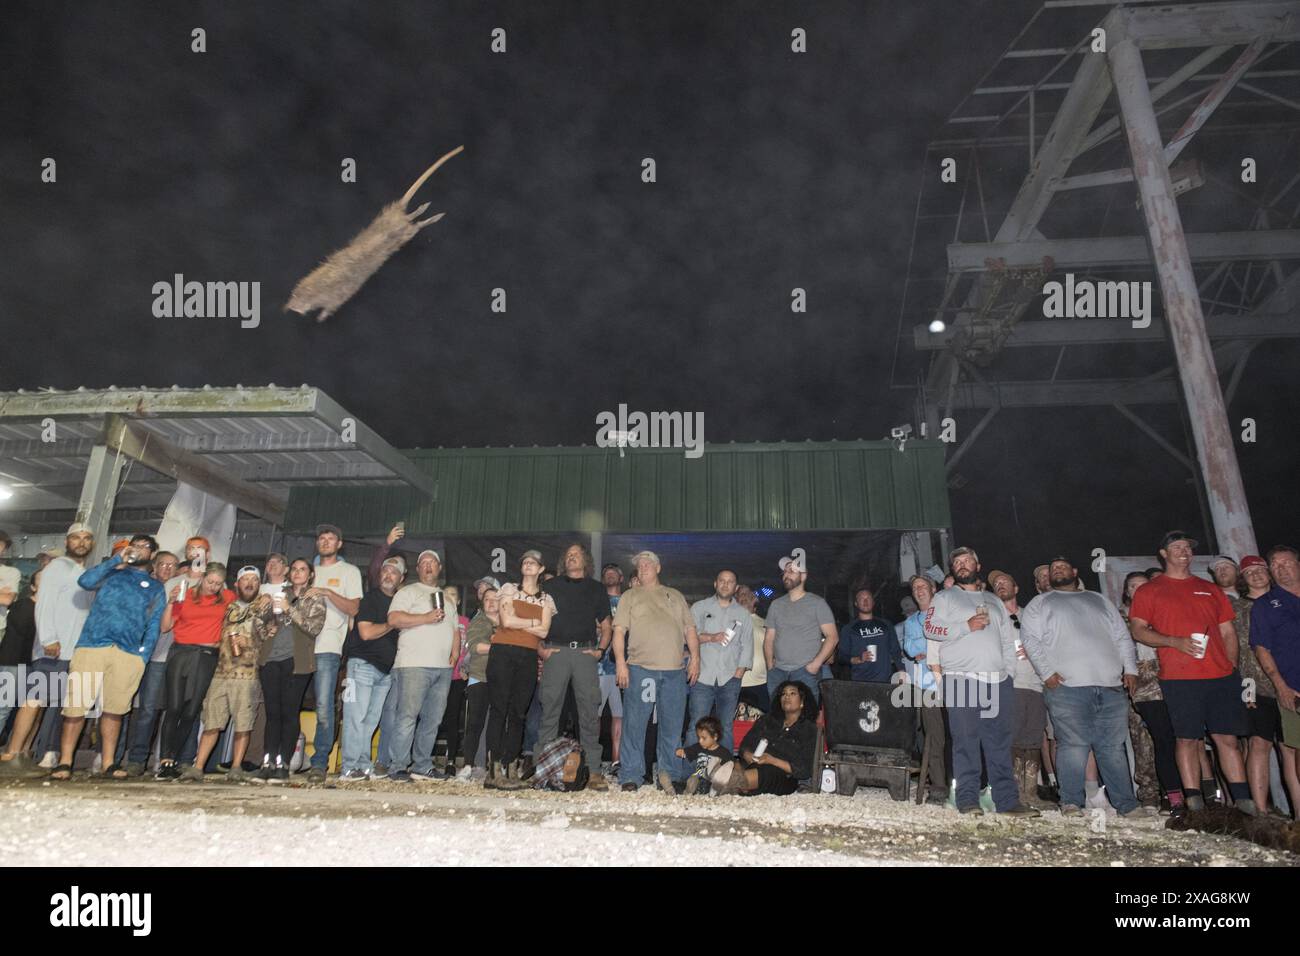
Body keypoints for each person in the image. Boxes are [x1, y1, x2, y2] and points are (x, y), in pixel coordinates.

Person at [1129, 530, 1256, 816]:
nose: (1184, 551)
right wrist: (1175, 641)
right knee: (1187, 739)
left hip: (1220, 676)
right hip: (1179, 678)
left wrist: (1231, 668)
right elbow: (1138, 630)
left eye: (1187, 546)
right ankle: (1194, 801)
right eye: (1177, 546)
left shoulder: (1210, 588)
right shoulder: (1150, 590)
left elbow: (1227, 631)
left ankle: (1244, 802)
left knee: (1228, 739)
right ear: (1164, 554)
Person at [1019, 556, 1141, 816]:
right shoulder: (1040, 603)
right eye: (1053, 569)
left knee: (1112, 747)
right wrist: (1047, 673)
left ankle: (1126, 804)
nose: (1058, 570)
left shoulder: (1098, 599)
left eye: (1062, 567)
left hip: (1109, 685)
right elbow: (1030, 639)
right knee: (1072, 744)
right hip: (1067, 687)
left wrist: (1130, 669)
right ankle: (1072, 801)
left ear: (1074, 571)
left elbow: (1121, 636)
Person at [923, 547, 1038, 816]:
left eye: (967, 561)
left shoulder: (994, 600)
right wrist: (966, 626)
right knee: (965, 740)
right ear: (952, 569)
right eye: (957, 562)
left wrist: (1007, 673)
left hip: (997, 680)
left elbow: (1007, 640)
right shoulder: (944, 597)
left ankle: (1008, 802)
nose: (962, 565)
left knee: (999, 743)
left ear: (978, 565)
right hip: (961, 678)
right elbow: (930, 628)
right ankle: (968, 800)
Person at [48, 535, 165, 780]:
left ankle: (109, 763)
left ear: (153, 554)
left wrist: (141, 657)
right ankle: (66, 761)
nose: (139, 550)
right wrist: (115, 560)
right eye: (136, 545)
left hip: (128, 653)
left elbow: (154, 625)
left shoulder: (155, 587)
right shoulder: (112, 573)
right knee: (75, 706)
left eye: (145, 547)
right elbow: (85, 581)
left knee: (114, 710)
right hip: (92, 645)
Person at [1, 524, 96, 776]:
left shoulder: (81, 571)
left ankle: (23, 755)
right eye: (76, 537)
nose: (82, 542)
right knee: (34, 700)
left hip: (72, 651)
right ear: (67, 541)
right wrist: (49, 639)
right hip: (53, 649)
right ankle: (11, 754)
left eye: (87, 538)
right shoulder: (57, 567)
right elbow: (43, 604)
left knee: (44, 703)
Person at [613, 550, 699, 794]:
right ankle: (631, 775)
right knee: (635, 724)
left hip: (674, 672)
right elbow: (619, 632)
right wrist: (621, 663)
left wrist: (696, 659)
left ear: (658, 568)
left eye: (648, 564)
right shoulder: (630, 596)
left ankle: (669, 774)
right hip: (641, 669)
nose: (643, 568)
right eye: (639, 565)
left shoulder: (676, 595)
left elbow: (690, 630)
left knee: (672, 726)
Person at [188, 566, 278, 783]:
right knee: (212, 722)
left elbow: (272, 634)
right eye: (245, 580)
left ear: (260, 584)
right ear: (237, 583)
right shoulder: (226, 604)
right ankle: (197, 767)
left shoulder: (265, 607)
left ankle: (236, 767)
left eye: (254, 581)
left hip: (247, 676)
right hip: (220, 673)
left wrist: (253, 640)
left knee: (243, 723)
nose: (250, 584)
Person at [539, 544, 611, 790]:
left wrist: (600, 650)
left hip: (584, 653)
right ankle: (544, 768)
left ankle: (594, 771)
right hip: (556, 652)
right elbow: (535, 618)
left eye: (576, 554)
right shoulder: (549, 587)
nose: (571, 557)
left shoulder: (597, 588)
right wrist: (540, 647)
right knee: (549, 709)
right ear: (563, 561)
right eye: (568, 554)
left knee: (589, 711)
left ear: (585, 561)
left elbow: (607, 624)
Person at [384, 549, 457, 782]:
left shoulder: (448, 599)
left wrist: (455, 652)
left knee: (433, 719)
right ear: (417, 569)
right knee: (407, 716)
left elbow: (455, 629)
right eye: (423, 563)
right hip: (413, 664)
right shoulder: (408, 592)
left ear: (439, 568)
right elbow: (393, 620)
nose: (428, 566)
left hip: (443, 669)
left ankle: (422, 765)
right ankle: (398, 766)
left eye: (432, 562)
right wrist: (425, 618)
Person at [484, 551, 555, 789]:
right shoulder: (509, 588)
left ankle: (511, 767)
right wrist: (534, 623)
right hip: (503, 651)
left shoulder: (546, 599)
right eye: (525, 561)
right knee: (499, 709)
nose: (528, 564)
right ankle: (493, 772)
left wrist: (524, 622)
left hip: (528, 656)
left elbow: (545, 632)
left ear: (541, 569)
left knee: (519, 713)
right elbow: (506, 622)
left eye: (533, 562)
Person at [157, 562, 233, 780]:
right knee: (174, 707)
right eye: (210, 582)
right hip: (181, 652)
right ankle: (165, 760)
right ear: (202, 578)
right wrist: (170, 603)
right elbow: (165, 627)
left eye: (218, 584)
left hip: (207, 656)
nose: (213, 587)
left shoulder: (227, 598)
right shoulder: (185, 595)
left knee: (191, 711)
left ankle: (176, 756)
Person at [255, 558, 326, 783]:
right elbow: (258, 623)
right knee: (272, 713)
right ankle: (267, 762)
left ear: (310, 575)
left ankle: (284, 764)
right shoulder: (278, 592)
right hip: (271, 659)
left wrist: (290, 610)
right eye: (294, 569)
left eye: (302, 569)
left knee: (289, 712)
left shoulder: (314, 597)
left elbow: (313, 628)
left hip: (297, 663)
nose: (297, 573)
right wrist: (266, 626)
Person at [303, 524, 363, 783]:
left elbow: (354, 608)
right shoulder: (305, 570)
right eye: (322, 538)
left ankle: (319, 763)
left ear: (339, 544)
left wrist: (327, 591)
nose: (325, 542)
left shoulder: (349, 571)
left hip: (327, 646)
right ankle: (279, 759)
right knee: (287, 703)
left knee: (324, 706)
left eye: (331, 539)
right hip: (298, 646)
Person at [987, 569, 1051, 810]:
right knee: (1010, 740)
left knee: (1033, 740)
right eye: (997, 584)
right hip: (1008, 685)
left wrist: (1035, 652)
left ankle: (1030, 793)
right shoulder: (992, 619)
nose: (1001, 585)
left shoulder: (1032, 616)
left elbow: (1051, 643)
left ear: (1016, 589)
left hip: (1035, 685)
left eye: (1006, 581)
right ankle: (1012, 795)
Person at [339, 555, 405, 781]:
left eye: (394, 572)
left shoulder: (400, 605)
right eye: (385, 570)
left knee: (370, 721)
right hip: (361, 665)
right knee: (354, 717)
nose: (388, 575)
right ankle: (348, 766)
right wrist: (390, 624)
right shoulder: (370, 599)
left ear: (401, 579)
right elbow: (366, 632)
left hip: (385, 672)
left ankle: (362, 764)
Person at [1120, 571, 1182, 811]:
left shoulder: (1165, 614)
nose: (1138, 589)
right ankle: (1149, 794)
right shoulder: (1119, 618)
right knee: (1143, 742)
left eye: (1143, 585)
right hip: (1137, 686)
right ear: (1127, 591)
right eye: (1133, 586)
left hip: (1168, 683)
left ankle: (1176, 793)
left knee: (1172, 740)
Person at [1250, 546, 1300, 811]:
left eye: (1287, 562)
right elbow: (1262, 649)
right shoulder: (1266, 605)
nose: (1281, 568)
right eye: (1275, 564)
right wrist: (1281, 686)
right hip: (1295, 687)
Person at [120, 549, 180, 774]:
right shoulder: (142, 586)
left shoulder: (179, 590)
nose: (167, 568)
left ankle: (137, 759)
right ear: (154, 565)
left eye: (172, 565)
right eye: (163, 564)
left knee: (149, 709)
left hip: (160, 657)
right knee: (121, 704)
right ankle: (112, 756)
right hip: (132, 652)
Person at [715, 681, 818, 796]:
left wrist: (772, 760)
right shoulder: (767, 720)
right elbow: (745, 745)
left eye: (792, 693)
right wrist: (748, 754)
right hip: (753, 765)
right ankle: (731, 784)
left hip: (782, 776)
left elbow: (804, 770)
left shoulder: (809, 729)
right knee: (732, 762)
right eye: (783, 694)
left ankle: (724, 782)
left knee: (766, 772)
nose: (786, 697)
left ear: (802, 702)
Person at [688, 569, 751, 754]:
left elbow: (747, 645)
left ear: (736, 587)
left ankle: (724, 774)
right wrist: (711, 637)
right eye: (721, 581)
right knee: (696, 726)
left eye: (730, 581)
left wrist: (738, 675)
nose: (725, 584)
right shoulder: (699, 608)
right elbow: (689, 637)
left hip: (729, 678)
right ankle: (691, 774)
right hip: (701, 677)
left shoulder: (743, 614)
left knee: (726, 727)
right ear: (715, 584)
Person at [764, 553, 837, 703]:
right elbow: (768, 639)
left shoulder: (817, 603)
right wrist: (770, 666)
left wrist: (815, 665)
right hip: (778, 672)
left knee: (806, 719)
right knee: (777, 719)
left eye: (791, 571)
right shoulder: (776, 605)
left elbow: (832, 636)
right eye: (784, 572)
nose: (786, 574)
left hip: (805, 672)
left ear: (803, 576)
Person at [901, 574, 947, 804]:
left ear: (933, 588)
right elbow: (911, 648)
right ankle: (939, 787)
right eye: (915, 588)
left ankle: (971, 784)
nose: (919, 591)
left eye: (923, 586)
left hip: (955, 682)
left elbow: (952, 640)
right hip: (927, 687)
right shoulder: (910, 623)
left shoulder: (945, 613)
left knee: (961, 735)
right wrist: (933, 646)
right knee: (934, 737)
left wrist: (929, 648)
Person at [457, 586, 499, 780]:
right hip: (479, 676)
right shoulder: (478, 620)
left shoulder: (508, 622)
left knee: (496, 725)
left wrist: (494, 642)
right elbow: (475, 647)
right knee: (475, 723)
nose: (491, 602)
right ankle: (467, 764)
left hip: (501, 679)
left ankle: (489, 765)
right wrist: (500, 645)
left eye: (495, 598)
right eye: (487, 599)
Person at [435, 583, 470, 778]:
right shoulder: (436, 619)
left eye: (453, 594)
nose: (449, 597)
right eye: (445, 594)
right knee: (433, 716)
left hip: (457, 677)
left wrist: (466, 668)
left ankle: (450, 759)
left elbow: (470, 649)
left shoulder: (465, 622)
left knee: (453, 718)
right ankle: (422, 757)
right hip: (437, 674)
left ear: (457, 600)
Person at [0, 568, 38, 742]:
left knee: (18, 707)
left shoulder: (47, 609)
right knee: (4, 706)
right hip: (13, 662)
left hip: (31, 663)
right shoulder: (23, 606)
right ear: (33, 586)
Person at [836, 587, 900, 683]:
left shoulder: (886, 624)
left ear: (873, 602)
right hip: (861, 681)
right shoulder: (848, 629)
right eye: (862, 599)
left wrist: (902, 670)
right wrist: (858, 658)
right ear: (856, 604)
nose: (865, 601)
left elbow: (896, 650)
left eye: (868, 598)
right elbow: (842, 657)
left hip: (886, 680)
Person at [598, 563, 625, 774]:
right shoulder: (596, 600)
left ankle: (616, 761)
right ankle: (594, 759)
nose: (610, 575)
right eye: (606, 573)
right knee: (594, 714)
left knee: (620, 714)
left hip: (622, 666)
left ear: (621, 577)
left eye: (613, 572)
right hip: (598, 665)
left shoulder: (628, 600)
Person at [676, 715, 732, 795]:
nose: (700, 741)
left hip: (712, 781)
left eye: (704, 738)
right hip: (698, 776)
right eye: (699, 738)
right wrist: (681, 752)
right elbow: (689, 751)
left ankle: (706, 789)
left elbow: (729, 769)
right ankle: (684, 787)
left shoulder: (724, 753)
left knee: (714, 782)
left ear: (715, 737)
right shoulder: (698, 747)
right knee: (691, 779)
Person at [736, 585, 769, 714]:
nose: (744, 597)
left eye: (747, 595)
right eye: (740, 595)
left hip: (761, 682)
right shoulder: (728, 622)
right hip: (734, 682)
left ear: (754, 599)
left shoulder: (766, 623)